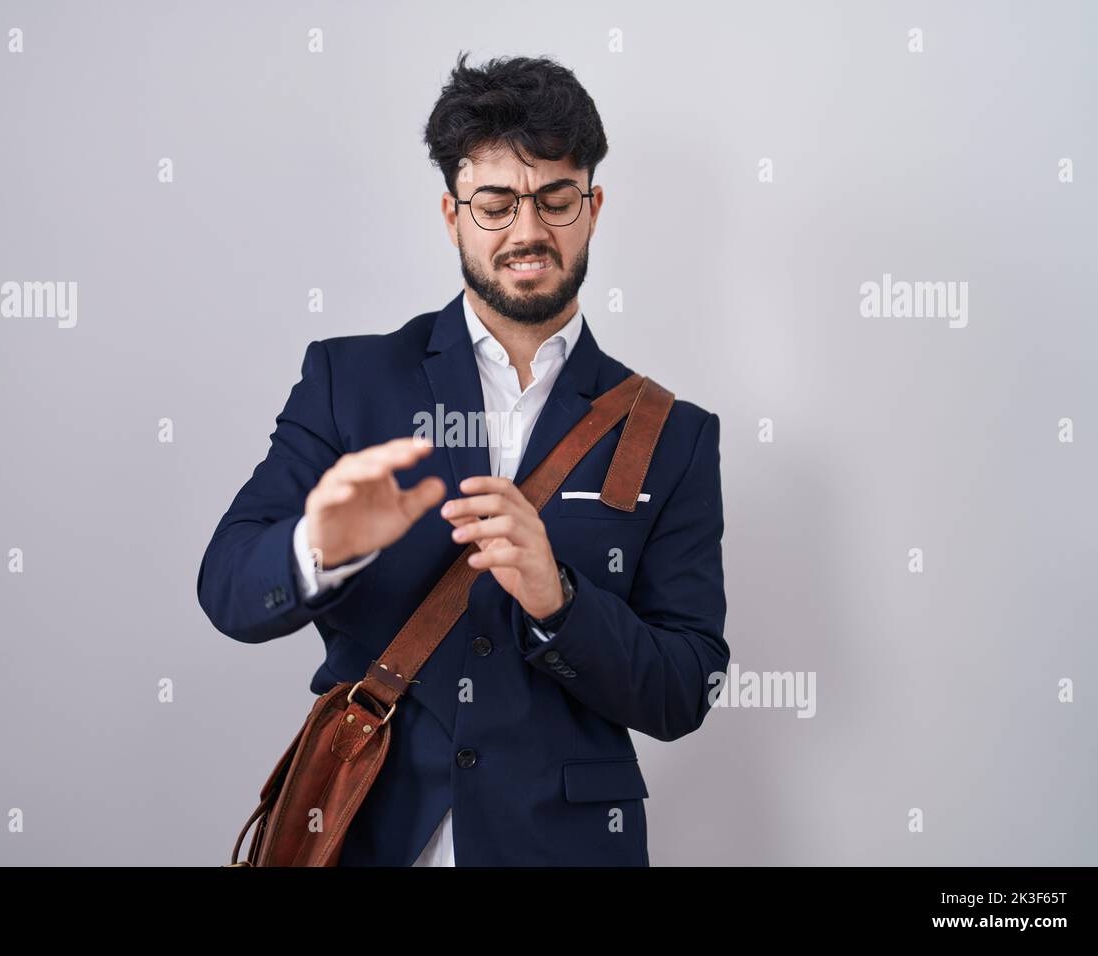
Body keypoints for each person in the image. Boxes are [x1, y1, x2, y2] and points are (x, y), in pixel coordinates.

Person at [197, 52, 728, 867]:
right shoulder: (349, 380)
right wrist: (319, 545)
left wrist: (560, 600)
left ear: (593, 207)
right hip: (364, 832)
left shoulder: (674, 433)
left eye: (556, 199)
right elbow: (228, 587)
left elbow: (686, 687)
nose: (528, 231)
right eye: (495, 203)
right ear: (452, 214)